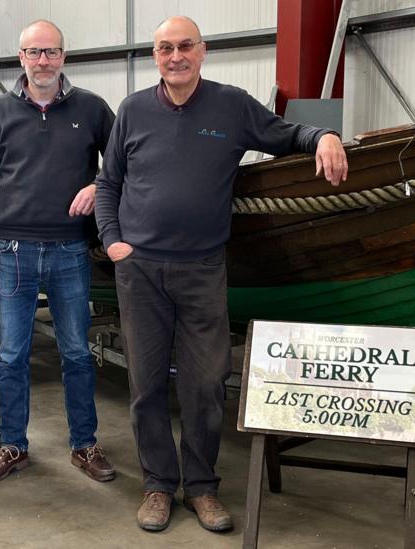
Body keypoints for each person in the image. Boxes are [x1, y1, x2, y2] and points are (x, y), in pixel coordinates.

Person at [94, 15, 349, 533]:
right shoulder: (134, 109)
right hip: (139, 271)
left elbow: (288, 133)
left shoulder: (231, 106)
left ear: (203, 51)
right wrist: (113, 242)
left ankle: (203, 488)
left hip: (202, 269)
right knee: (144, 385)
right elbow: (108, 183)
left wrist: (325, 136)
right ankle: (158, 486)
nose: (175, 56)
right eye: (165, 48)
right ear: (155, 56)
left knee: (206, 383)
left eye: (185, 46)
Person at [0, 19, 116, 486]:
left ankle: (84, 444)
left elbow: (125, 161)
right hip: (9, 251)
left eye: (51, 52)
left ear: (64, 57)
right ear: (21, 59)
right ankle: (13, 443)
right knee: (11, 354)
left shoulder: (92, 109)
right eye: (34, 53)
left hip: (70, 249)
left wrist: (97, 184)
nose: (42, 61)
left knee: (75, 351)